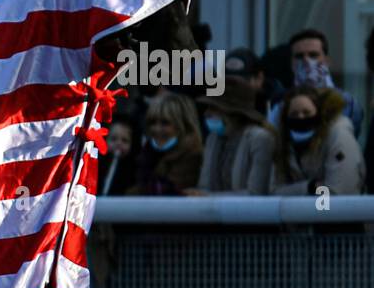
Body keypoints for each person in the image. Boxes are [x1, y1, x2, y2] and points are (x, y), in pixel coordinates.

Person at [190, 55, 275, 195]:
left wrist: (206, 197)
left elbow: (255, 192)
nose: (206, 114)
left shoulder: (260, 139)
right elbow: (204, 185)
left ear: (233, 113)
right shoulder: (213, 138)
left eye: (214, 108)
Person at [267, 29, 363, 138]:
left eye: (313, 55)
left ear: (327, 61)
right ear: (291, 63)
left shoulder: (349, 104)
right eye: (299, 56)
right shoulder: (280, 105)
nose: (306, 61)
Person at [271, 84, 365, 195]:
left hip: (337, 210)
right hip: (301, 211)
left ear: (319, 112)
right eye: (294, 114)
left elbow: (339, 192)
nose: (300, 117)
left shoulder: (338, 135)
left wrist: (312, 198)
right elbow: (274, 191)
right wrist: (310, 187)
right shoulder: (284, 140)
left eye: (306, 112)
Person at [128, 91, 202, 195]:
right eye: (153, 122)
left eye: (165, 123)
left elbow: (170, 192)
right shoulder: (147, 152)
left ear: (183, 125)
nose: (157, 129)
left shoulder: (193, 156)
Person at [97, 118, 137, 196]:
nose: (118, 143)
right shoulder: (99, 163)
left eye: (124, 140)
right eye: (113, 139)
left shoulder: (133, 168)